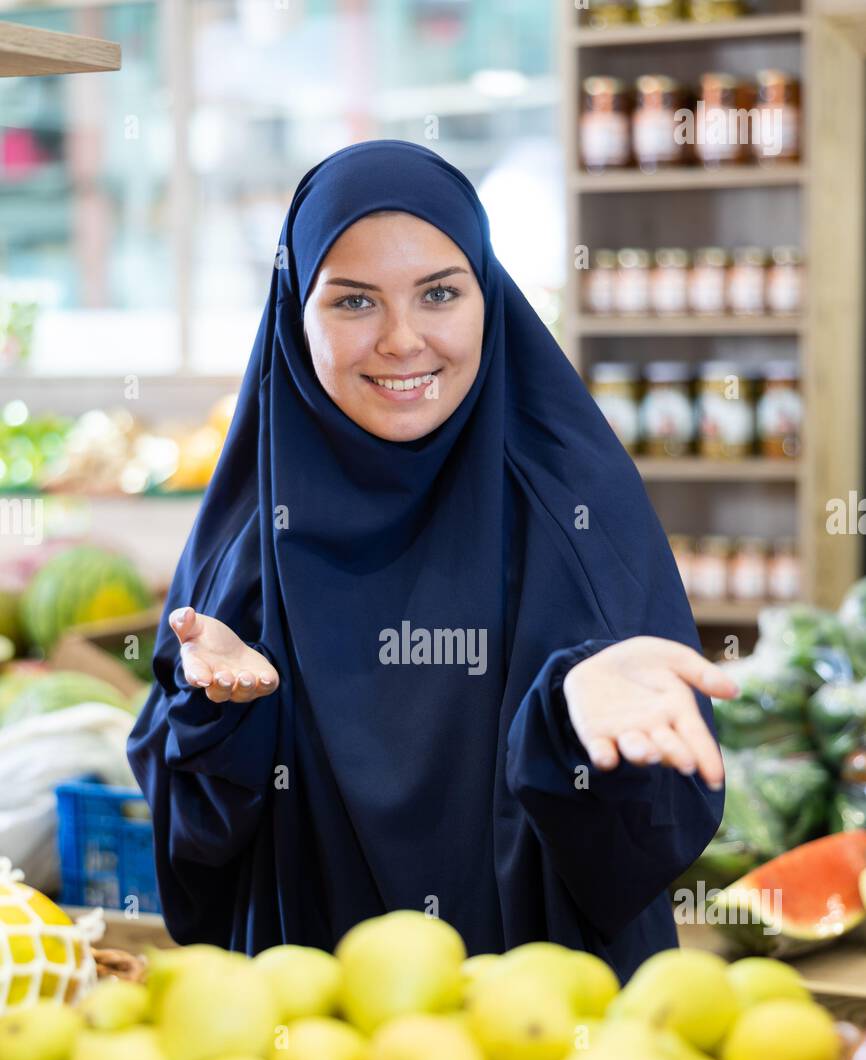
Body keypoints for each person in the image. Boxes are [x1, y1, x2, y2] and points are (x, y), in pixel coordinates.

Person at [127, 138, 736, 982]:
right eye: (353, 303)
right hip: (307, 1031)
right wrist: (224, 717)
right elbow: (191, 848)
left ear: (488, 296)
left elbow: (651, 836)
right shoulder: (246, 538)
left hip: (549, 1031)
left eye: (439, 293)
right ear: (294, 315)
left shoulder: (576, 507)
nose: (402, 340)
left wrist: (574, 729)